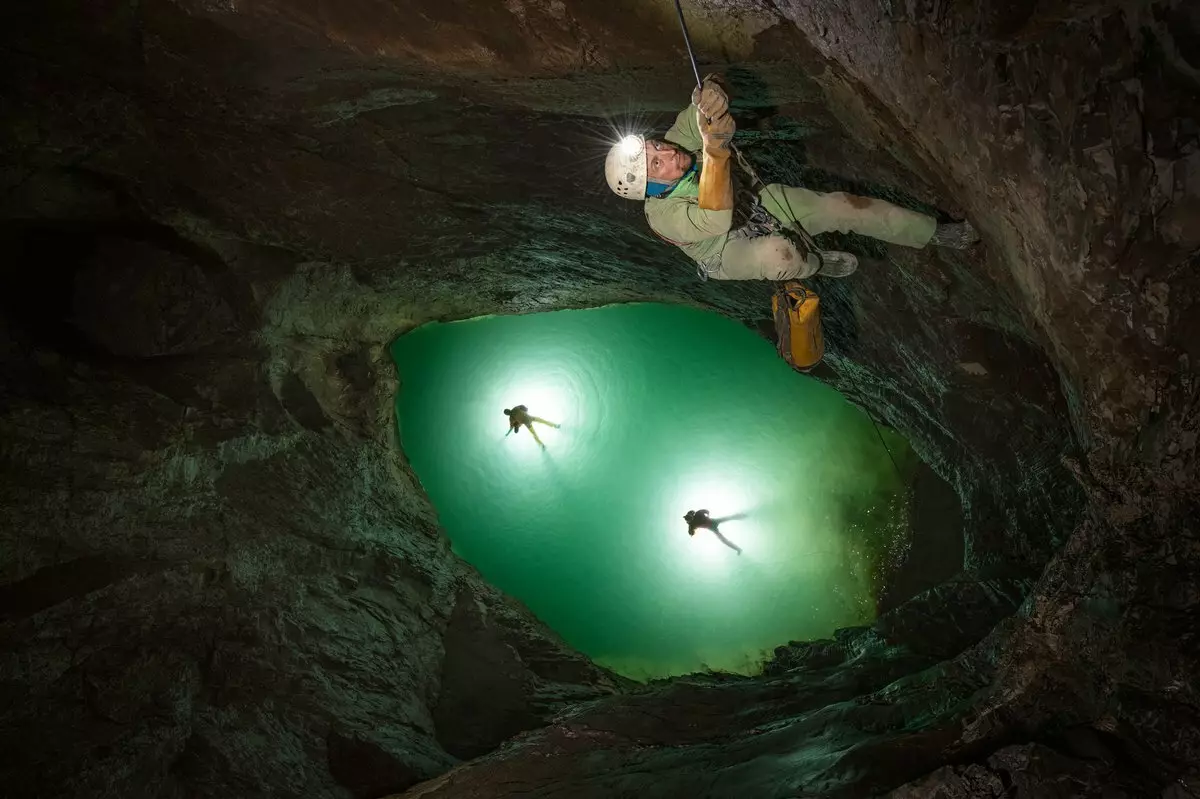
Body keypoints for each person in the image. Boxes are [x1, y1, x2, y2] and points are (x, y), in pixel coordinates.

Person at [604, 75, 980, 282]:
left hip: (753, 203)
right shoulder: (660, 216)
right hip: (724, 251)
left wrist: (713, 92)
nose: (666, 153)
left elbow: (701, 106)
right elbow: (716, 218)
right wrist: (715, 148)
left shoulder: (675, 144)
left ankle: (931, 232)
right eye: (655, 166)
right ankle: (816, 264)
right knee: (780, 253)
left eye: (654, 147)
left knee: (840, 206)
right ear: (651, 189)